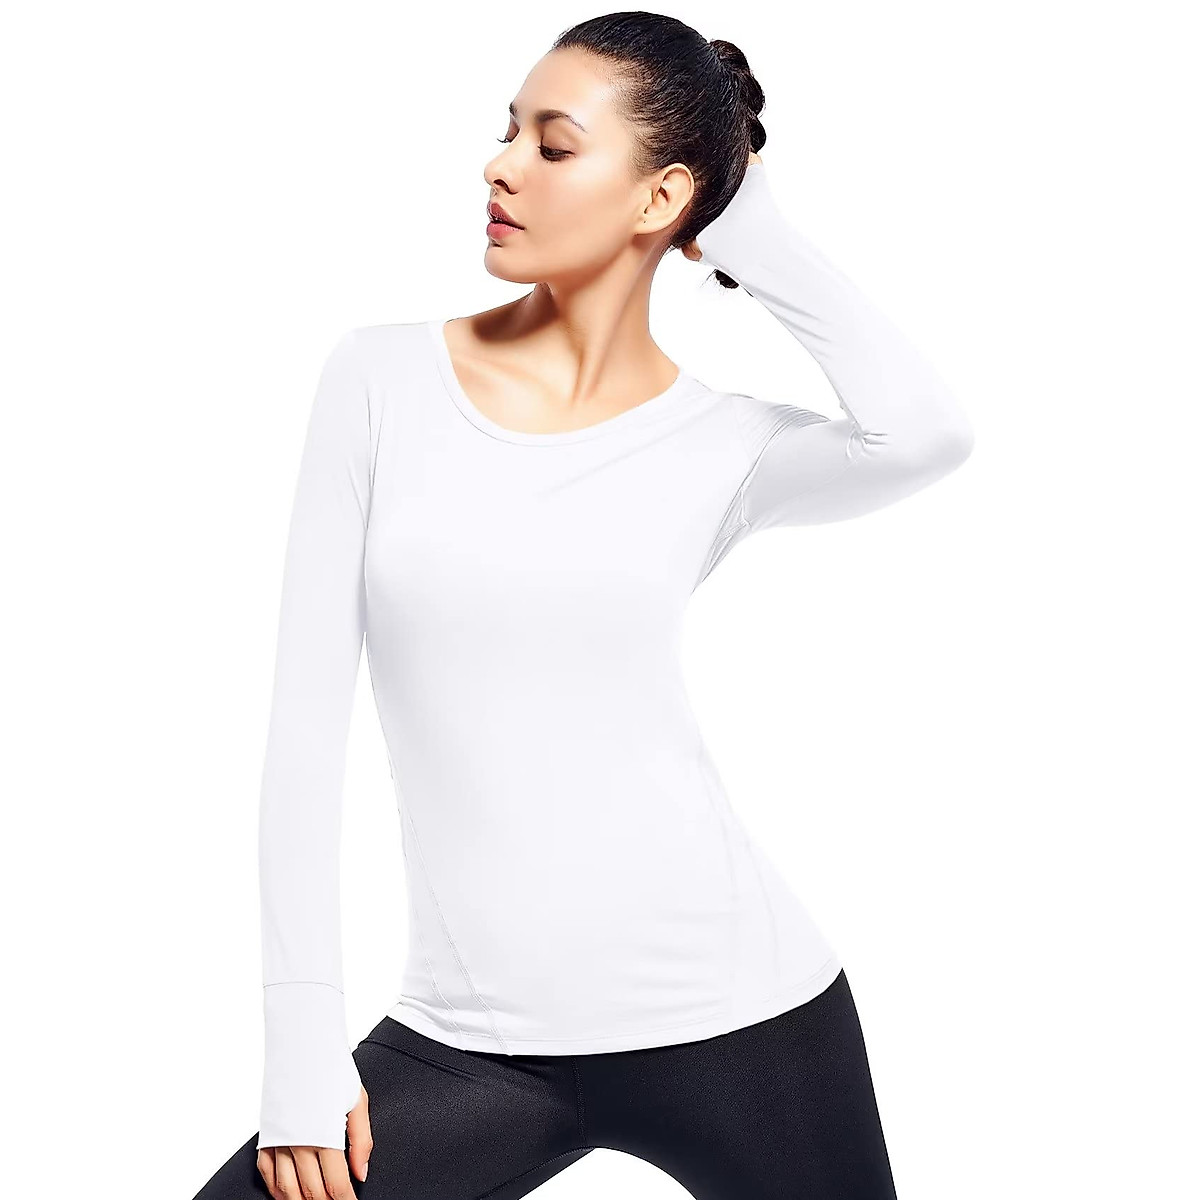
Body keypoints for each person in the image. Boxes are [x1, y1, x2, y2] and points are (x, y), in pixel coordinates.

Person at [193, 13, 973, 1200]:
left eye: (554, 146)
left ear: (661, 197)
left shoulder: (719, 444)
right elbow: (305, 731)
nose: (500, 165)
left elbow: (924, 434)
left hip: (745, 1019)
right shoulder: (380, 379)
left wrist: (746, 221)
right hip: (470, 1045)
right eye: (507, 131)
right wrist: (301, 1045)